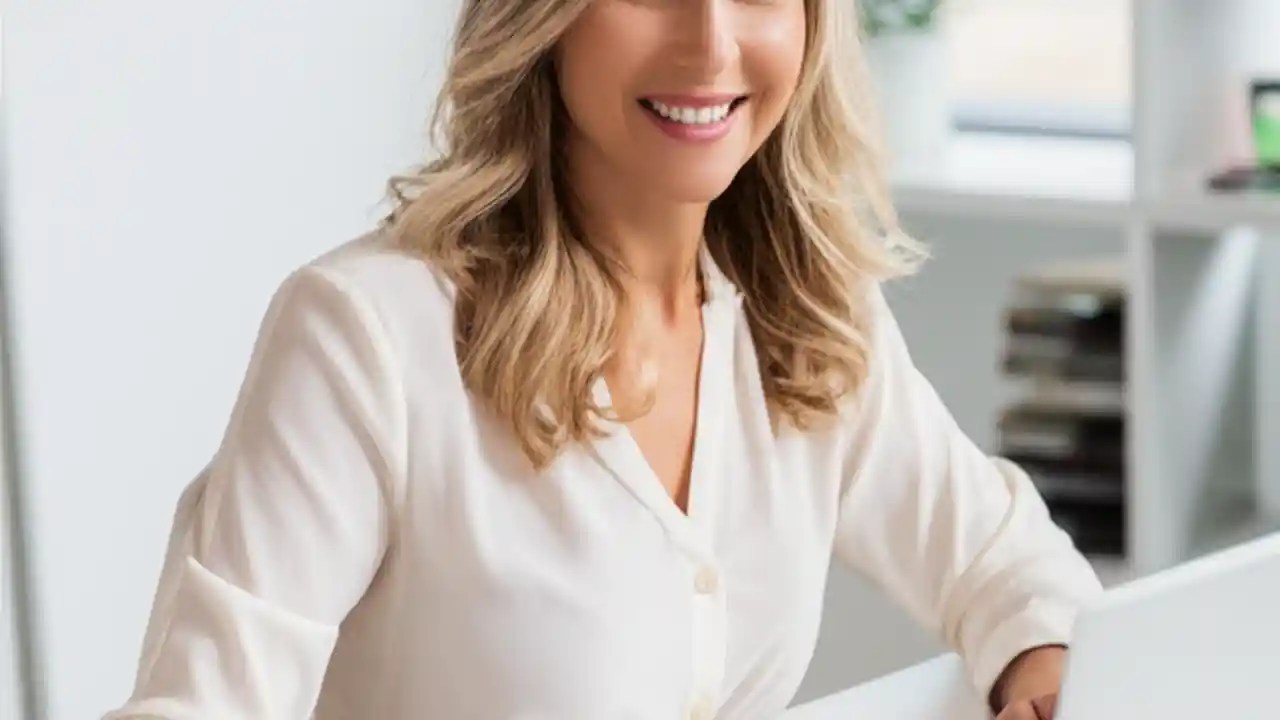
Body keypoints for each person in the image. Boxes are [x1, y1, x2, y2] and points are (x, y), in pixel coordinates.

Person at [105, 1, 1101, 718]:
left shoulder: (804, 317)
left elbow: (1003, 561)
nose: (709, 43)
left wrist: (1043, 666)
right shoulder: (366, 338)